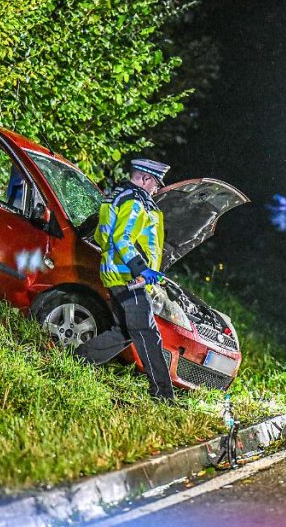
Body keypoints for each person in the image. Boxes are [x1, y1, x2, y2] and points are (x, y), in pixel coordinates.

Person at [94, 158, 175, 401]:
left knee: (125, 332)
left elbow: (102, 235)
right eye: (156, 184)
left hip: (117, 274)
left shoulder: (118, 195)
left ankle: (78, 358)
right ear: (145, 178)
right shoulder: (135, 201)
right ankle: (163, 397)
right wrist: (142, 269)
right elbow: (122, 238)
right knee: (148, 333)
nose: (157, 189)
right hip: (129, 277)